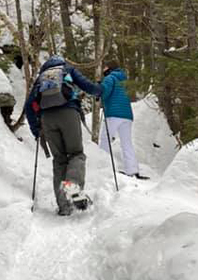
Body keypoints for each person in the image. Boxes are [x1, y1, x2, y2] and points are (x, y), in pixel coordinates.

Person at [25, 55, 103, 215]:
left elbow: (28, 106)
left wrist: (36, 130)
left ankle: (64, 206)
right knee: (76, 154)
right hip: (68, 112)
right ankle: (73, 189)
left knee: (59, 159)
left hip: (47, 119)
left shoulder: (41, 78)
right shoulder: (67, 69)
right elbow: (89, 87)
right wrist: (100, 90)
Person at [99, 60, 148, 180]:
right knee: (127, 143)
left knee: (105, 139)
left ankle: (104, 168)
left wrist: (98, 90)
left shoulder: (110, 78)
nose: (104, 70)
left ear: (109, 68)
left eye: (105, 67)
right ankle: (132, 170)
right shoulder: (124, 79)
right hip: (127, 115)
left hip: (113, 114)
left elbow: (105, 92)